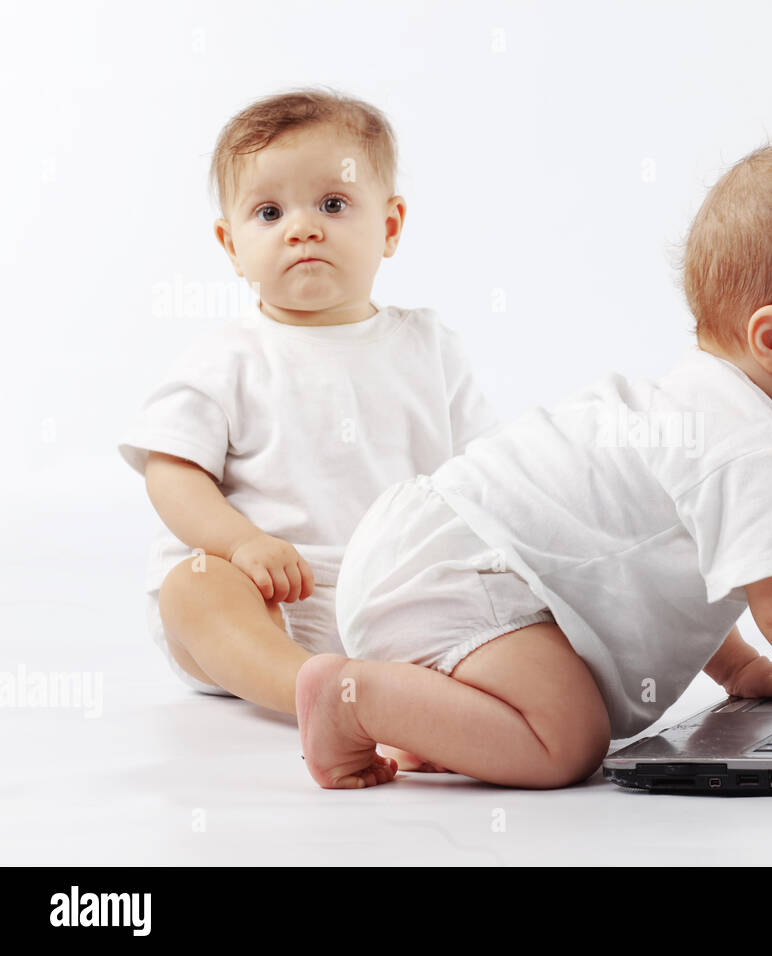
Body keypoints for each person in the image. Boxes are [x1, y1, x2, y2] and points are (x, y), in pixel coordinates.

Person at [299, 143, 772, 790]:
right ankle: (349, 699)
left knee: (549, 707)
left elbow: (652, 572)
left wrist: (734, 666)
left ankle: (439, 716)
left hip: (437, 556)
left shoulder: (699, 404)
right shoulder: (750, 449)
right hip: (463, 580)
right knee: (566, 742)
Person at [118, 88, 497, 716]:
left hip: (398, 596)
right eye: (268, 213)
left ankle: (413, 697)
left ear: (390, 225)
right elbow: (172, 470)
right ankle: (321, 695)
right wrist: (241, 545)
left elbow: (485, 475)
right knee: (195, 588)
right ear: (231, 245)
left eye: (332, 203)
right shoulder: (229, 357)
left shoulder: (429, 348)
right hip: (267, 596)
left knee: (512, 596)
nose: (302, 228)